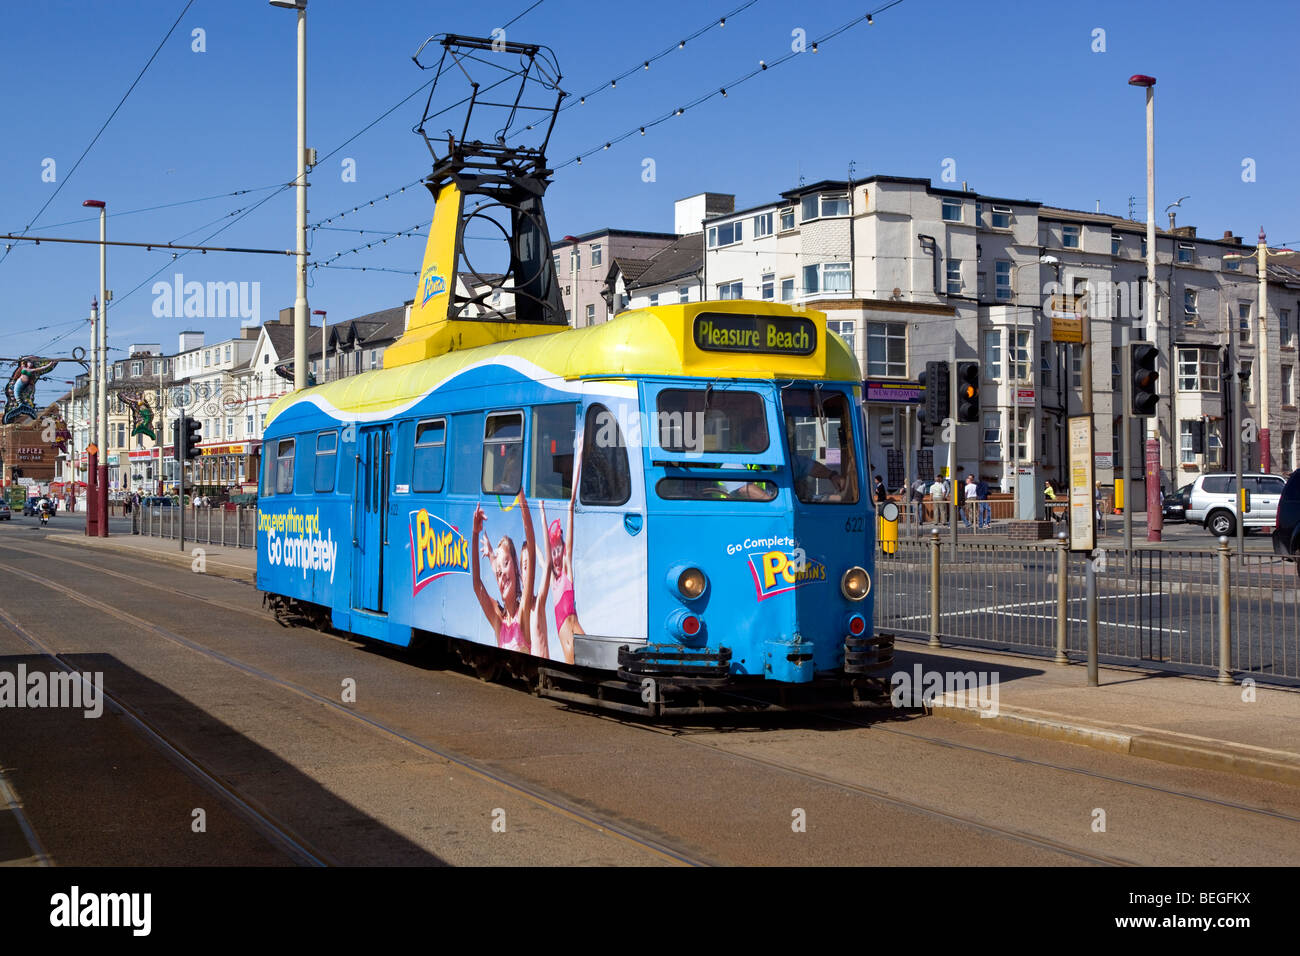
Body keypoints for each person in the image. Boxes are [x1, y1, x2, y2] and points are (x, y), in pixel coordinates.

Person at [471, 490, 538, 654]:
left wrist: (522, 500)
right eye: (498, 573)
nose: (502, 575)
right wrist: (475, 533)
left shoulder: (523, 613)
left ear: (515, 568)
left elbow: (531, 548)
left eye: (506, 563)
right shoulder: (498, 621)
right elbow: (476, 583)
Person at [537, 457, 584, 665]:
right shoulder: (551, 578)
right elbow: (541, 553)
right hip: (568, 645)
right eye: (553, 551)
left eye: (559, 550)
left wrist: (571, 502)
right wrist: (541, 513)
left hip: (578, 636)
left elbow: (570, 520)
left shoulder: (567, 572)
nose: (555, 557)